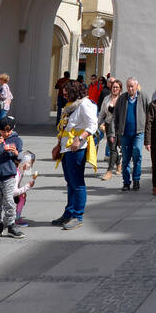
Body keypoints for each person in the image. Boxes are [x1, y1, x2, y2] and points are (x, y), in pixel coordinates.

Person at [52, 81, 98, 229]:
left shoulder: (85, 104)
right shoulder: (70, 106)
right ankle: (69, 213)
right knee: (70, 182)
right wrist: (59, 143)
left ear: (74, 92)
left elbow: (93, 125)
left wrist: (79, 139)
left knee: (77, 183)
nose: (64, 96)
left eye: (66, 93)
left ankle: (78, 216)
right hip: (66, 149)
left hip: (77, 149)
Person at [115, 77, 146, 191]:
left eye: (132, 86)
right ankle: (126, 182)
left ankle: (136, 179)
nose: (130, 88)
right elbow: (117, 116)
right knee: (126, 157)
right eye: (128, 86)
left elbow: (148, 113)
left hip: (138, 132)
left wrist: (147, 135)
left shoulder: (143, 97)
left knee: (137, 153)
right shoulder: (122, 98)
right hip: (125, 133)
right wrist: (117, 133)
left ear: (137, 86)